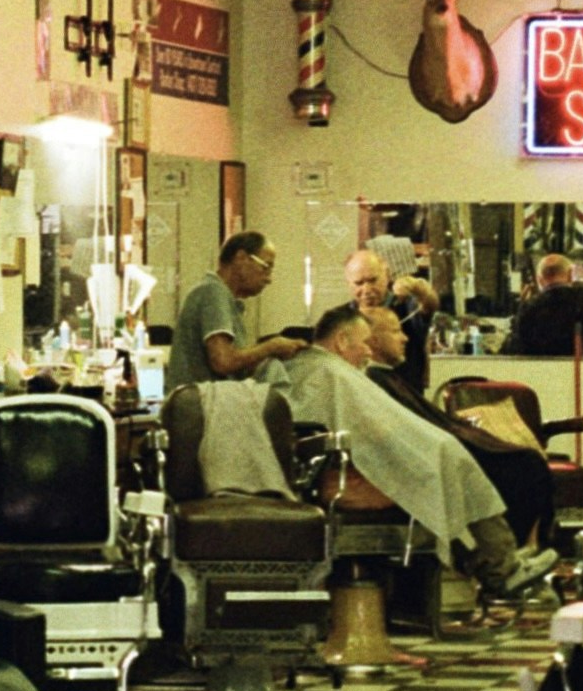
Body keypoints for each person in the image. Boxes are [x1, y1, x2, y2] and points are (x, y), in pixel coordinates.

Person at [283, 308, 556, 598]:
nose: (367, 352)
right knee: (450, 465)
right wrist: (419, 445)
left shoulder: (311, 369)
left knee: (450, 464)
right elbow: (374, 427)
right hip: (341, 476)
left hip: (336, 468)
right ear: (341, 340)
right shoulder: (331, 374)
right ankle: (501, 568)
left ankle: (498, 563)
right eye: (364, 343)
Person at [361, 305, 558, 554]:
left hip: (447, 446)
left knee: (525, 461)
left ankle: (524, 550)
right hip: (436, 455)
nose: (405, 338)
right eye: (396, 331)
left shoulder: (388, 377)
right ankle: (512, 554)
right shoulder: (375, 380)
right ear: (375, 340)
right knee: (524, 465)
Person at [165, 231, 308, 392]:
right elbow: (223, 361)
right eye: (266, 267)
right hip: (199, 408)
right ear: (241, 258)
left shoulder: (226, 299)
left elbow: (235, 365)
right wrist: (271, 347)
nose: (269, 279)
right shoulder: (213, 292)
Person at [345, 244, 437, 391]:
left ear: (387, 276)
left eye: (373, 280)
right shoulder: (344, 318)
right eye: (359, 283)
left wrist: (417, 286)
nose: (367, 290)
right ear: (349, 284)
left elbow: (430, 304)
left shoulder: (406, 306)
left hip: (404, 396)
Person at [508, 253, 583, 358]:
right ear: (571, 274)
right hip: (579, 370)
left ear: (539, 280)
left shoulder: (528, 308)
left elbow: (517, 347)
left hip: (538, 371)